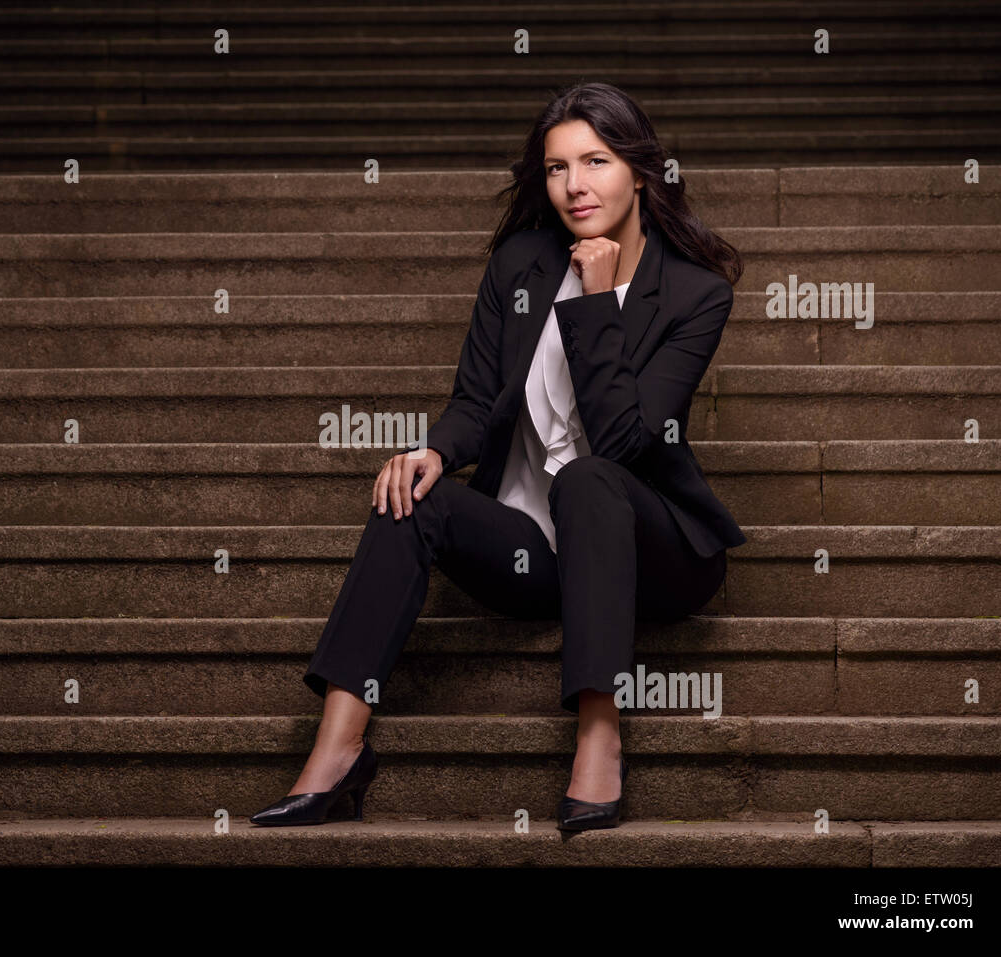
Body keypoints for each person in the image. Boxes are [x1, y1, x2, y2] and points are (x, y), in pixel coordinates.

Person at [250, 81, 746, 830]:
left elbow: (622, 444)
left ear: (641, 171)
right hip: (537, 551)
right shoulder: (520, 263)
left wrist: (593, 298)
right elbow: (476, 400)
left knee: (588, 477)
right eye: (556, 168)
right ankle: (339, 747)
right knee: (410, 491)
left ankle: (600, 736)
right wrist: (434, 451)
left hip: (652, 554)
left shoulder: (694, 294)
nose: (575, 185)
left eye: (597, 161)